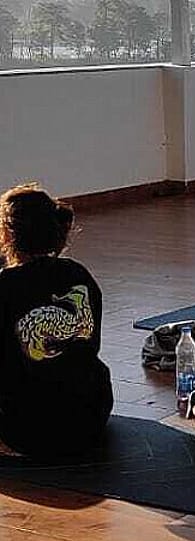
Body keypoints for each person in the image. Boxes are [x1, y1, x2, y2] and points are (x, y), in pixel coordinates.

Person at [0, 184, 113, 458]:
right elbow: (88, 347)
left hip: (27, 428)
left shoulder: (5, 286)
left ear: (7, 235)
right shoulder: (79, 275)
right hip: (90, 415)